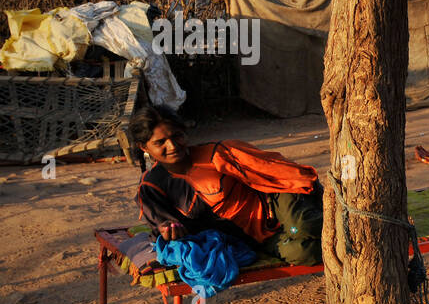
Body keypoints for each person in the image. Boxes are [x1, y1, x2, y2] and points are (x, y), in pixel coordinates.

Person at [130, 104, 324, 266]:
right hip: (253, 237)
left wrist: (313, 188)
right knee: (301, 252)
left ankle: (347, 225)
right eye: (160, 142)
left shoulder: (216, 154)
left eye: (177, 136)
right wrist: (169, 231)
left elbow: (276, 169)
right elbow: (165, 231)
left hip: (276, 201)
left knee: (302, 226)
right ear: (144, 147)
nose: (172, 146)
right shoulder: (151, 187)